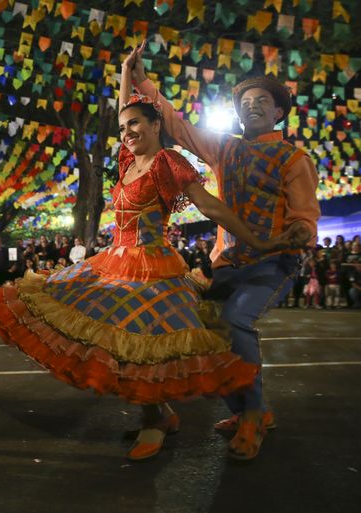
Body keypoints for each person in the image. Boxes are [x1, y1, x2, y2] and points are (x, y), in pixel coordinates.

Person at [0, 43, 293, 463]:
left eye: (137, 125)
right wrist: (126, 75)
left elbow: (212, 206)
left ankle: (161, 421)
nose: (129, 132)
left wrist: (257, 241)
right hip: (113, 261)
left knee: (141, 346)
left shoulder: (168, 162)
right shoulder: (125, 159)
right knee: (116, 345)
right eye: (125, 126)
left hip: (152, 266)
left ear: (156, 126)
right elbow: (122, 112)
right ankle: (159, 415)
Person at [131, 41, 319, 459]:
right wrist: (142, 80)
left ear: (278, 112)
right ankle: (249, 410)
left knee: (235, 320)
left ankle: (252, 417)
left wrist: (299, 232)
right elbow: (176, 127)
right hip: (226, 264)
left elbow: (305, 216)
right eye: (246, 102)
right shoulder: (225, 148)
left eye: (262, 101)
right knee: (206, 335)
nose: (252, 107)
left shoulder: (293, 159)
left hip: (272, 263)